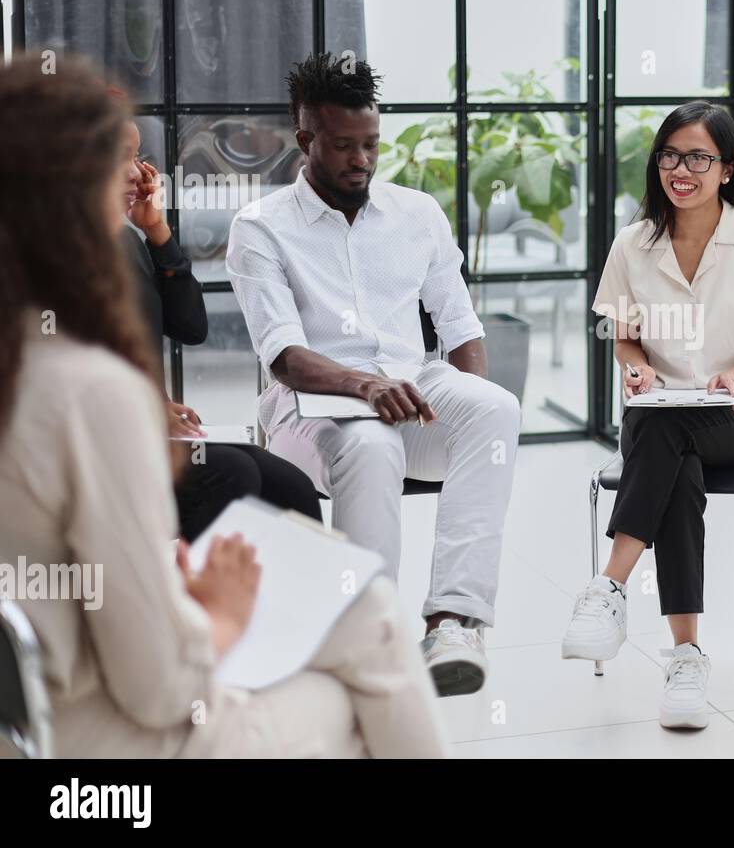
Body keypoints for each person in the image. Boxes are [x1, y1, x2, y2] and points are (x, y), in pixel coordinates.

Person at [0, 52, 448, 758]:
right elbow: (159, 687)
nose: (137, 177)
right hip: (99, 747)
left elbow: (188, 323)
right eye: (114, 166)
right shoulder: (86, 391)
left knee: (344, 593)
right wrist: (221, 613)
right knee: (372, 641)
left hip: (35, 710)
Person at [226, 52, 520, 696]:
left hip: (411, 389)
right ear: (306, 140)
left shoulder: (416, 215)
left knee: (496, 408)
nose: (361, 159)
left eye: (370, 145)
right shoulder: (260, 229)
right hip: (311, 411)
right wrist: (363, 385)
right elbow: (283, 356)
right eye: (342, 146)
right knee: (368, 439)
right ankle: (371, 633)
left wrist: (465, 413)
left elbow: (462, 329)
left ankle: (451, 621)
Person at [560, 101, 734, 729]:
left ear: (726, 168)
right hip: (660, 415)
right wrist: (636, 367)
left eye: (699, 157)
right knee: (674, 458)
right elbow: (625, 338)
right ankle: (686, 657)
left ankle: (610, 586)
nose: (682, 169)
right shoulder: (633, 244)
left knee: (663, 435)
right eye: (671, 155)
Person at [116, 107, 322, 542]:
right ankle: (191, 606)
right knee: (232, 474)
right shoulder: (52, 253)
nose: (137, 171)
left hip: (135, 431)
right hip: (98, 447)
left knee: (293, 487)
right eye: (120, 157)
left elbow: (191, 326)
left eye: (138, 156)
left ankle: (299, 609)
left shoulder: (125, 240)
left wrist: (157, 233)